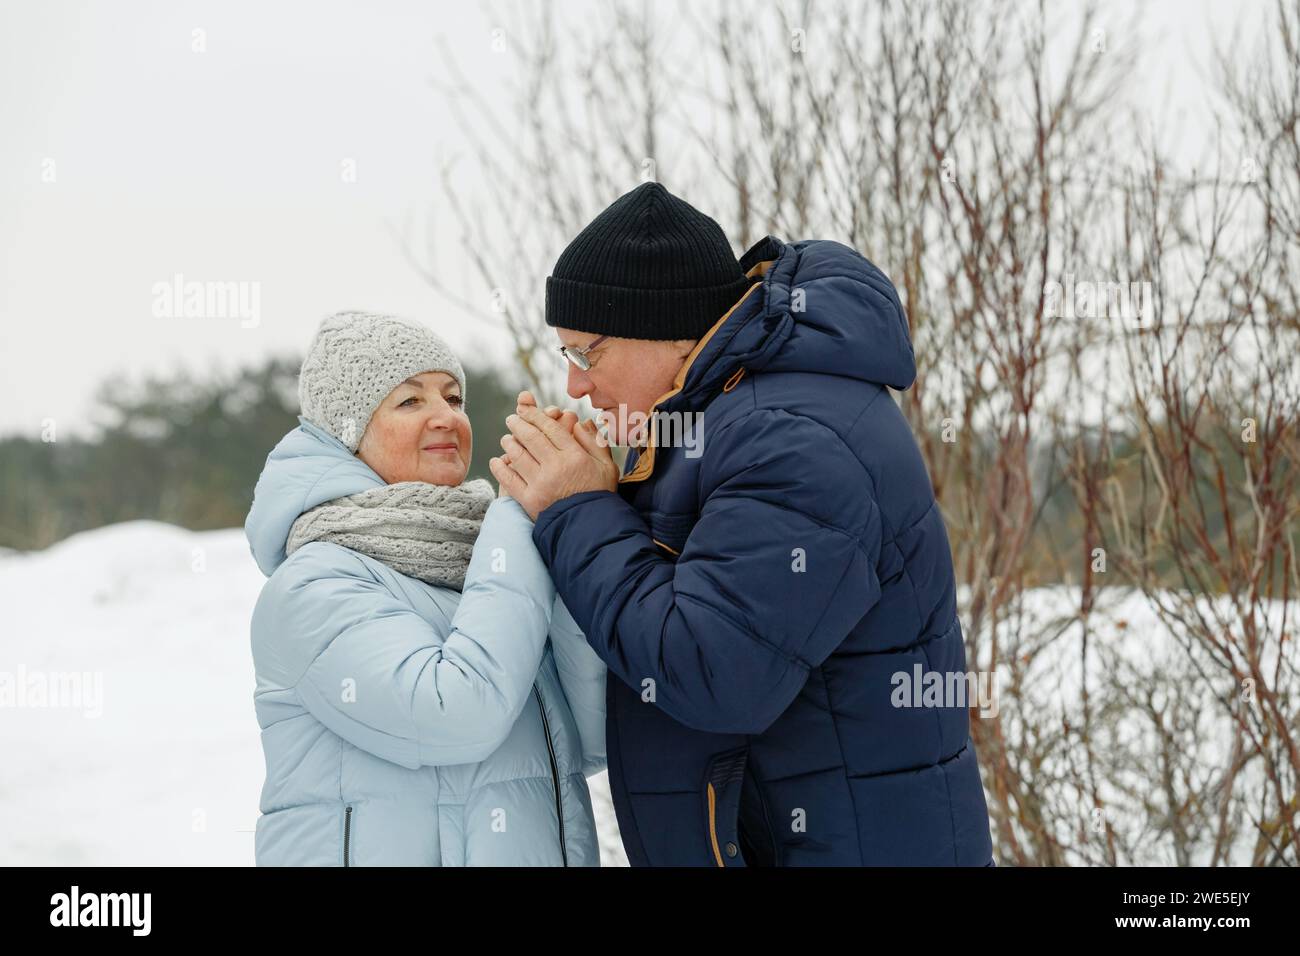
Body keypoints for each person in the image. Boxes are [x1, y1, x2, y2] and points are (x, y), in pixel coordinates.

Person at [491, 182, 996, 866]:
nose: (577, 387)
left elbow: (714, 671)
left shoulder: (789, 438)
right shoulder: (720, 419)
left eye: (589, 353)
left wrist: (577, 510)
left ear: (667, 331)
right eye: (567, 360)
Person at [244, 310, 606, 866]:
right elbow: (457, 713)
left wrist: (573, 529)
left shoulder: (483, 567)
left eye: (454, 398)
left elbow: (592, 738)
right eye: (410, 401)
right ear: (349, 428)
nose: (446, 418)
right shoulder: (313, 585)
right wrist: (516, 513)